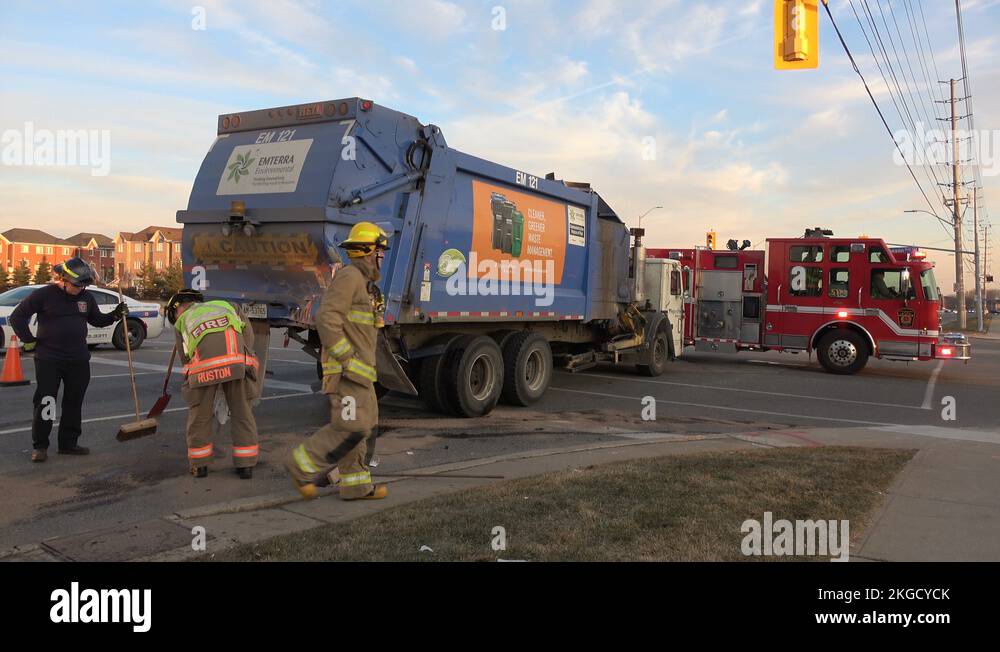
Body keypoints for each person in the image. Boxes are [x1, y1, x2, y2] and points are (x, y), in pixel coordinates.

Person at [285, 222, 389, 501]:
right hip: (347, 373)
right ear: (368, 252)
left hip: (360, 374)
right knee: (350, 427)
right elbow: (326, 318)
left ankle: (356, 485)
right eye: (380, 252)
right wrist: (347, 359)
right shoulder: (349, 278)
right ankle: (299, 466)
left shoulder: (362, 285)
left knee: (364, 427)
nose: (382, 258)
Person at [8, 257, 127, 462]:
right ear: (63, 279)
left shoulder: (86, 298)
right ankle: (40, 446)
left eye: (83, 285)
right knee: (46, 401)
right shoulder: (44, 295)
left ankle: (68, 444)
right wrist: (29, 340)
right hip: (49, 360)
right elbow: (17, 316)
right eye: (76, 285)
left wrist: (115, 315)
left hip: (78, 360)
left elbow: (97, 321)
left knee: (74, 402)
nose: (80, 289)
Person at [167, 289, 260, 479]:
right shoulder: (228, 305)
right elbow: (248, 336)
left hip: (203, 370)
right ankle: (246, 466)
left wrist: (194, 381)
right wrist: (242, 358)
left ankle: (199, 466)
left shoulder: (182, 322)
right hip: (235, 365)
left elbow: (185, 359)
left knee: (199, 417)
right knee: (242, 413)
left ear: (178, 309)